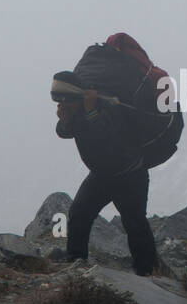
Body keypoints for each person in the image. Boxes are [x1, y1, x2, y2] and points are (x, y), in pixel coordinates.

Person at [52, 70, 158, 276]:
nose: (63, 108)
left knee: (134, 221)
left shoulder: (108, 105)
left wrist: (91, 111)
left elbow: (105, 136)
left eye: (65, 104)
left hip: (130, 175)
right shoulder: (78, 112)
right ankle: (76, 262)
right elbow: (64, 132)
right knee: (79, 214)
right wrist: (65, 120)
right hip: (102, 175)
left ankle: (147, 271)